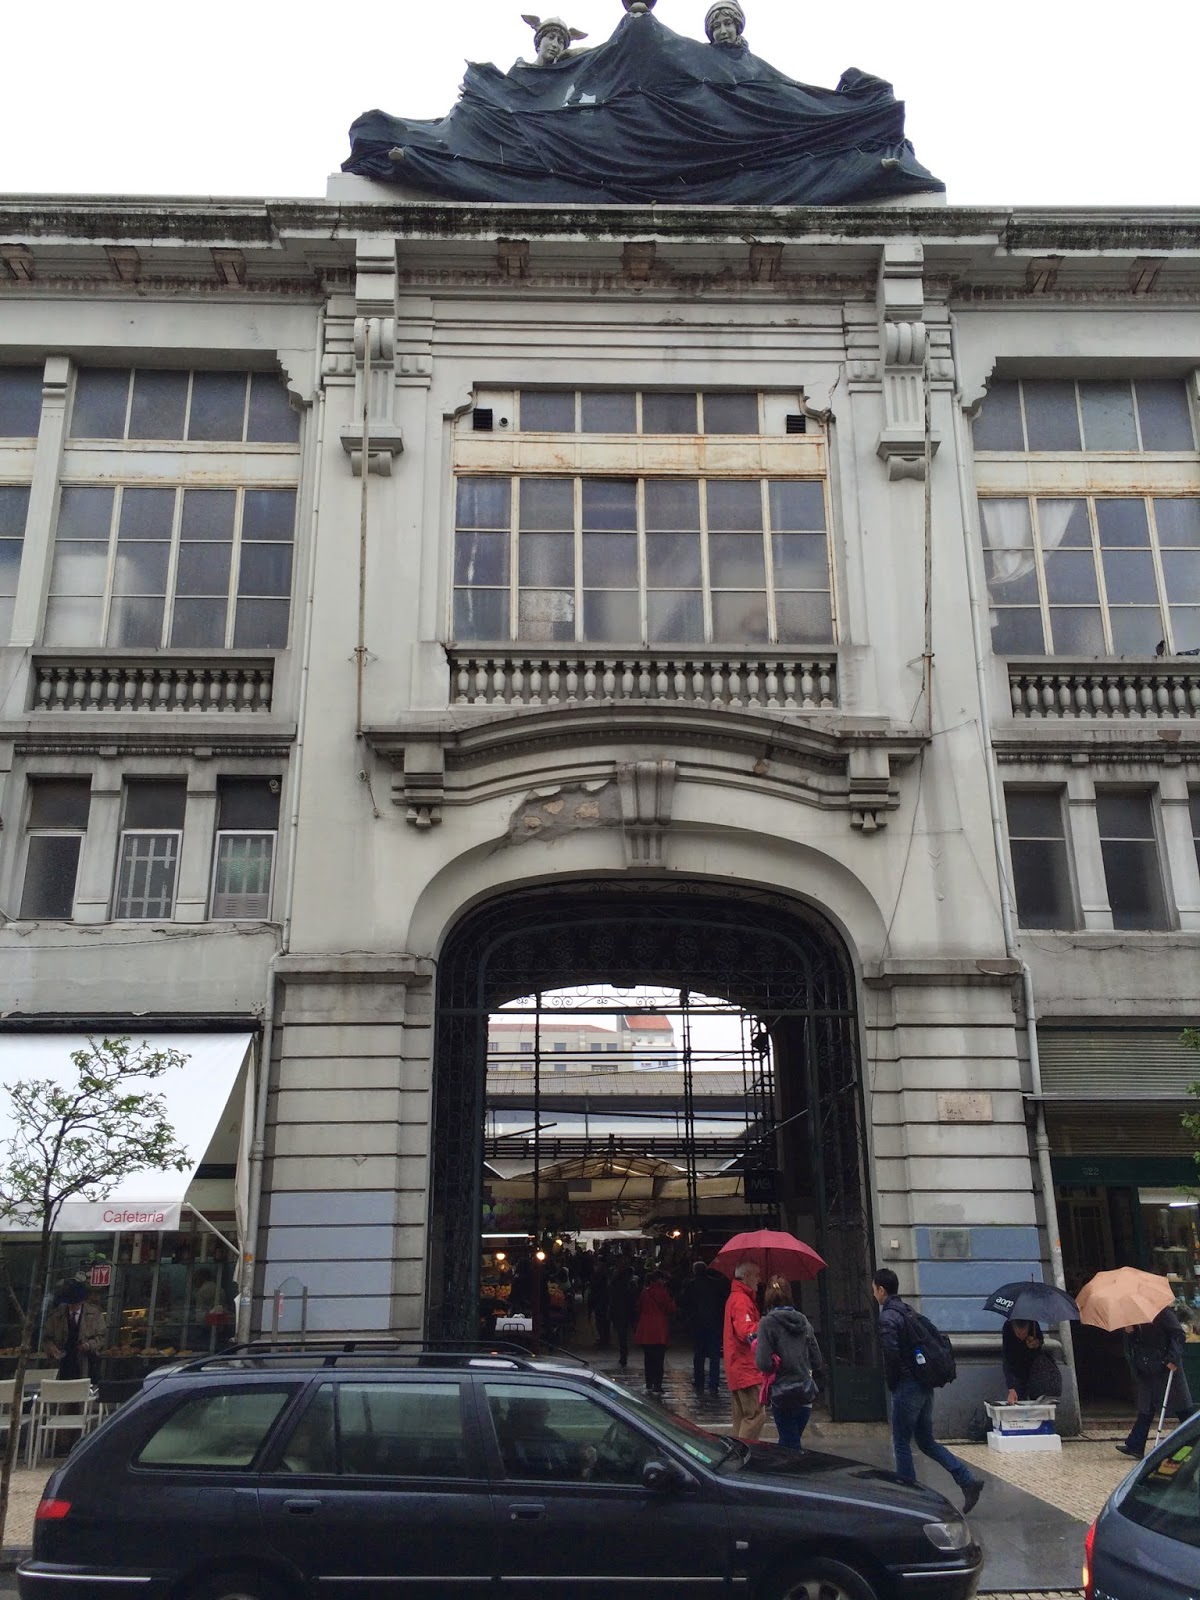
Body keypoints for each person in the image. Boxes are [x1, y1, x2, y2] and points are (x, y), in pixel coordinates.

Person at [872, 1268, 983, 1512]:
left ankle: (909, 1497)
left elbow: (891, 1353)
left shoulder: (888, 1316)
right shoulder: (908, 1310)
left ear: (881, 1290)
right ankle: (966, 1479)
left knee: (901, 1441)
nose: (874, 1294)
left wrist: (893, 1382)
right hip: (923, 1384)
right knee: (925, 1440)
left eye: (874, 1289)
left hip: (907, 1386)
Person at [754, 1274, 824, 1450]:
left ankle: (792, 1476)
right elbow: (817, 1360)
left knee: (788, 1444)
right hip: (804, 1392)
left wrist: (774, 1362)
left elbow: (762, 1363)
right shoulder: (803, 1320)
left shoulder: (767, 1323)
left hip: (782, 1391)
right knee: (792, 1440)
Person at [1117, 1304, 1196, 1459]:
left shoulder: (1162, 1312)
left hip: (1166, 1367)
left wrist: (1171, 1359)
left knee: (1182, 1409)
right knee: (1146, 1407)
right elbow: (1137, 1344)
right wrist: (1130, 1332)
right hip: (1147, 1367)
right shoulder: (1134, 1317)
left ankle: (1196, 1438)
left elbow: (1178, 1334)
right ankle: (1135, 1445)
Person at [723, 1260, 765, 1440]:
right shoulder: (741, 1300)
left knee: (741, 1417)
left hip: (737, 1366)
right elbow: (745, 1331)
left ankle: (736, 1453)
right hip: (746, 1367)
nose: (759, 1280)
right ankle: (746, 1452)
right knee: (755, 1415)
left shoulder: (736, 1297)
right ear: (746, 1276)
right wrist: (763, 1325)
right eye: (756, 1275)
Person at [43, 1278, 106, 1383]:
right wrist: (51, 1348)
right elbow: (46, 1338)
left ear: (82, 1301)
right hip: (62, 1364)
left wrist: (89, 1345)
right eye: (70, 1303)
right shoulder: (56, 1315)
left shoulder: (95, 1314)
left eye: (75, 1303)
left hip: (86, 1364)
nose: (72, 1306)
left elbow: (102, 1337)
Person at [680, 1259, 728, 1394]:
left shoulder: (691, 1284)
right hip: (714, 1323)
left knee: (699, 1354)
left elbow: (684, 1302)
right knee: (714, 1356)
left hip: (697, 1323)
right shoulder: (715, 1284)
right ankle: (714, 1383)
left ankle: (699, 1380)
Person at [633, 1270, 676, 1394]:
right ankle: (658, 1384)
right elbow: (671, 1308)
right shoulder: (663, 1292)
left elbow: (639, 1307)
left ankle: (649, 1382)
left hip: (646, 1329)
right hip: (659, 1328)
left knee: (648, 1358)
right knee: (659, 1359)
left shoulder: (645, 1292)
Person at [1002, 1319, 1060, 1403]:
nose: (1021, 1336)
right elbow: (1007, 1360)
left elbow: (1040, 1341)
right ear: (1014, 1330)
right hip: (1016, 1366)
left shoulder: (1033, 1324)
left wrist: (1037, 1343)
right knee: (1019, 1398)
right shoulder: (1008, 1327)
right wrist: (1011, 1388)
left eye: (1024, 1333)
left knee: (1038, 1397)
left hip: (1034, 1367)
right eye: (1018, 1333)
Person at [609, 1259, 639, 1369]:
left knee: (622, 1335)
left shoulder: (616, 1282)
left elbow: (612, 1297)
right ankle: (624, 1355)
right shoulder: (631, 1283)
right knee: (626, 1334)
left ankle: (623, 1355)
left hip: (619, 1311)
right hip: (628, 1311)